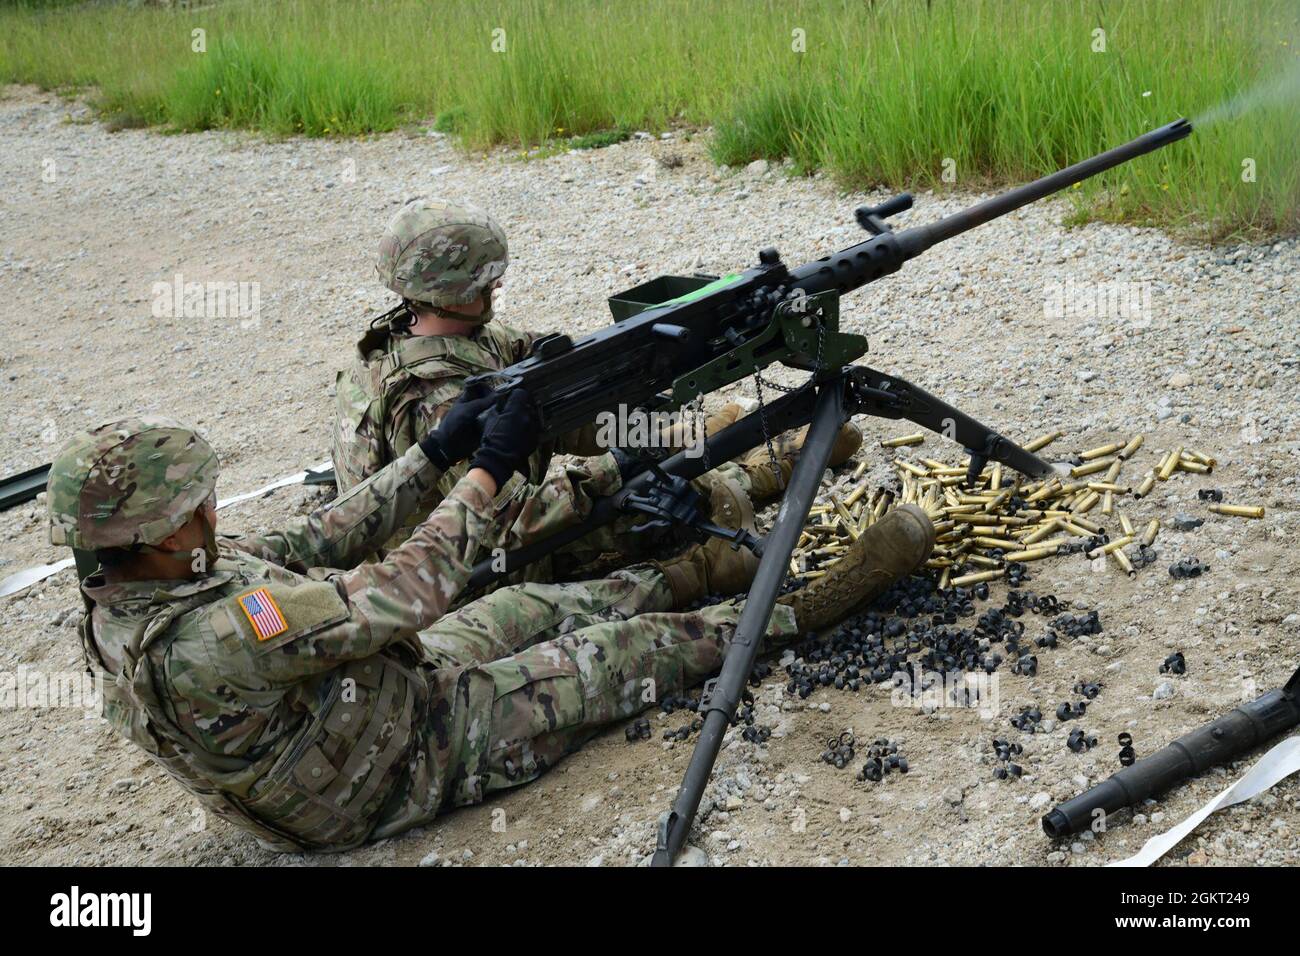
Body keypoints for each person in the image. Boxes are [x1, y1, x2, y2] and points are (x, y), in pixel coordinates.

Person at [47, 405, 931, 852]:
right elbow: (400, 592)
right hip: (396, 766)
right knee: (606, 657)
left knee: (532, 609)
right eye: (194, 499)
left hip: (374, 694)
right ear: (162, 532)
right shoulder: (215, 637)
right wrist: (486, 475)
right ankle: (796, 609)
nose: (211, 505)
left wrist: (432, 454)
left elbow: (314, 536)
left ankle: (699, 567)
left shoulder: (143, 584)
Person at [332, 197, 862, 578]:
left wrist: (649, 397)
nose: (497, 283)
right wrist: (622, 466)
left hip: (463, 535)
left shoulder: (437, 339)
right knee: (664, 503)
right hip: (460, 570)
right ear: (451, 288)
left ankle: (729, 452)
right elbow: (511, 521)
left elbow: (560, 399)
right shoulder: (434, 395)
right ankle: (755, 476)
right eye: (484, 276)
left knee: (656, 454)